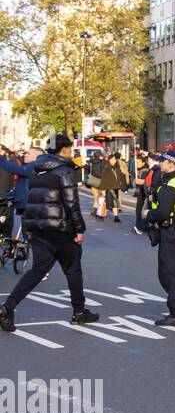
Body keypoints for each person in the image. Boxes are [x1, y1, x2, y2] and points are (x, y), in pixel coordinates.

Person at [0, 134, 99, 333]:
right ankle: (79, 311)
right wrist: (79, 229)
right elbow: (72, 203)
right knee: (73, 270)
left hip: (38, 228)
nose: (71, 153)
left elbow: (33, 198)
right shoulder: (64, 171)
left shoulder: (37, 170)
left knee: (37, 270)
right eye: (70, 149)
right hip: (61, 228)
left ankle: (7, 307)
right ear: (64, 150)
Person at [144, 150, 175, 326]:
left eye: (163, 161)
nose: (160, 163)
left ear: (172, 164)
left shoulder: (171, 185)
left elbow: (163, 211)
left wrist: (149, 214)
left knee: (169, 273)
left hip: (171, 232)